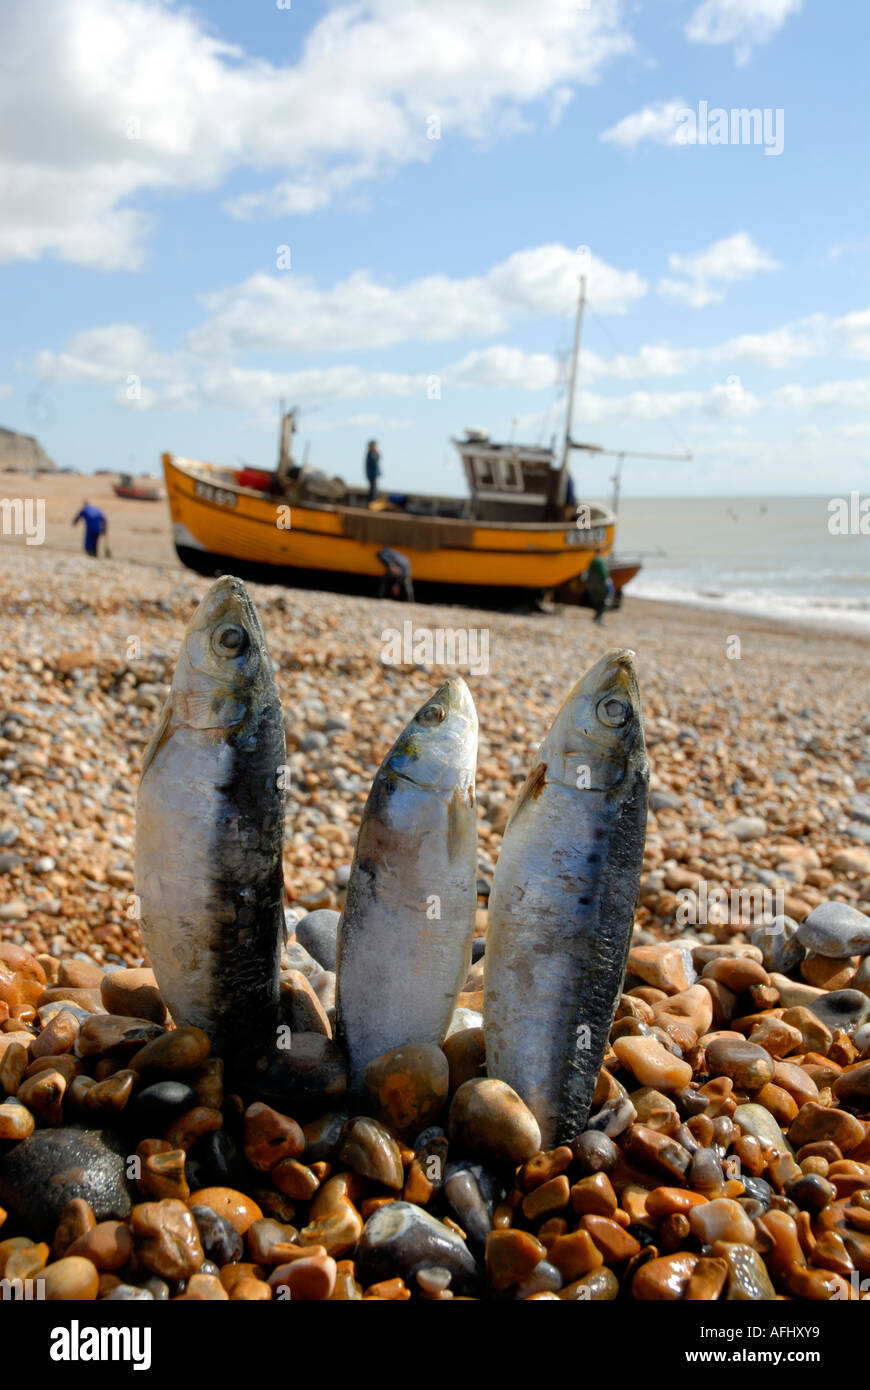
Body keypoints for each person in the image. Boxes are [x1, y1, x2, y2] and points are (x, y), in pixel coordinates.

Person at [586, 552, 611, 624]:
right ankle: (598, 617)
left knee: (598, 601)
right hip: (599, 585)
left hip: (591, 585)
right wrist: (608, 584)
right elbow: (604, 574)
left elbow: (587, 574)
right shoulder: (600, 562)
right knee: (606, 601)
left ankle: (597, 617)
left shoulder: (592, 561)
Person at [365, 440, 381, 504]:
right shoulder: (370, 454)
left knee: (373, 489)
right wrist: (376, 453)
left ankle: (373, 501)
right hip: (371, 474)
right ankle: (372, 502)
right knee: (373, 489)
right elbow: (375, 460)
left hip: (373, 474)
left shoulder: (371, 453)